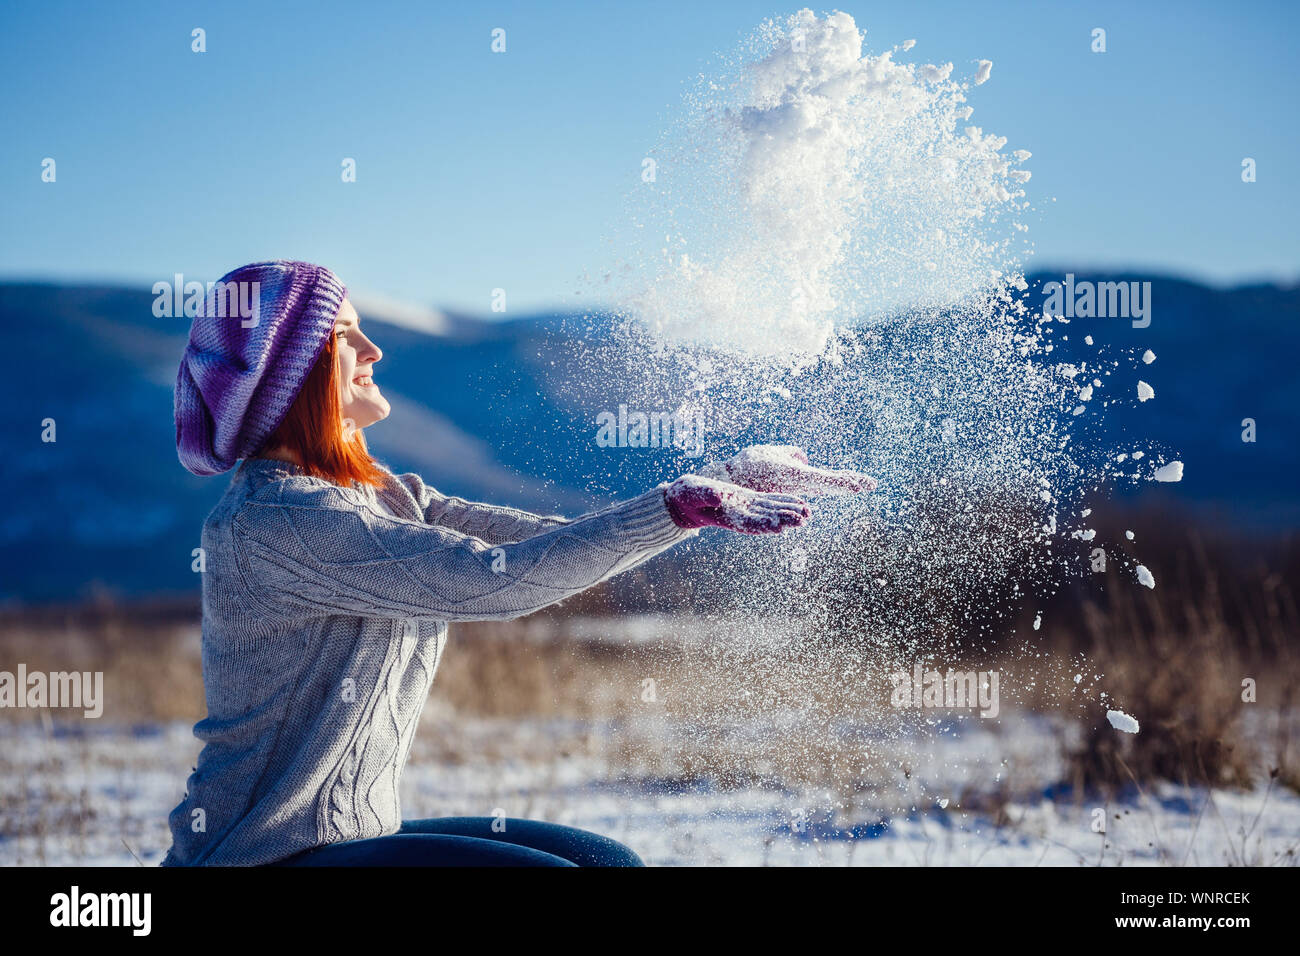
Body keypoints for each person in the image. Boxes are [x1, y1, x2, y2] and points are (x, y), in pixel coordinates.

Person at [162, 259, 872, 866]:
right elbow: (494, 582)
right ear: (293, 376)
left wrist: (720, 482)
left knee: (607, 861)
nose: (374, 349)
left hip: (349, 839)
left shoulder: (386, 497)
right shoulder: (278, 521)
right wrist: (681, 504)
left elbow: (554, 544)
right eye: (347, 335)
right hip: (261, 854)